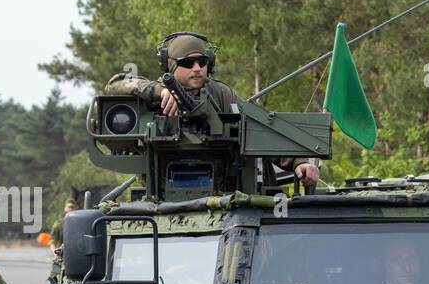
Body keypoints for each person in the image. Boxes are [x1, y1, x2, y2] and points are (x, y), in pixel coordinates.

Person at [104, 32, 320, 187]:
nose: (197, 68)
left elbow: (259, 128)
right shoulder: (153, 95)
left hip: (223, 197)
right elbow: (114, 84)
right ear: (170, 66)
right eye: (188, 63)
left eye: (202, 61)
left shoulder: (221, 95)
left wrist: (298, 162)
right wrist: (160, 92)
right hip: (163, 199)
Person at [48, 197, 75, 284]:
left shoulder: (80, 223)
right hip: (61, 257)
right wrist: (55, 254)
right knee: (56, 280)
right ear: (65, 209)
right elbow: (52, 242)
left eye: (73, 207)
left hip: (75, 257)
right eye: (69, 207)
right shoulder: (59, 224)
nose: (71, 209)